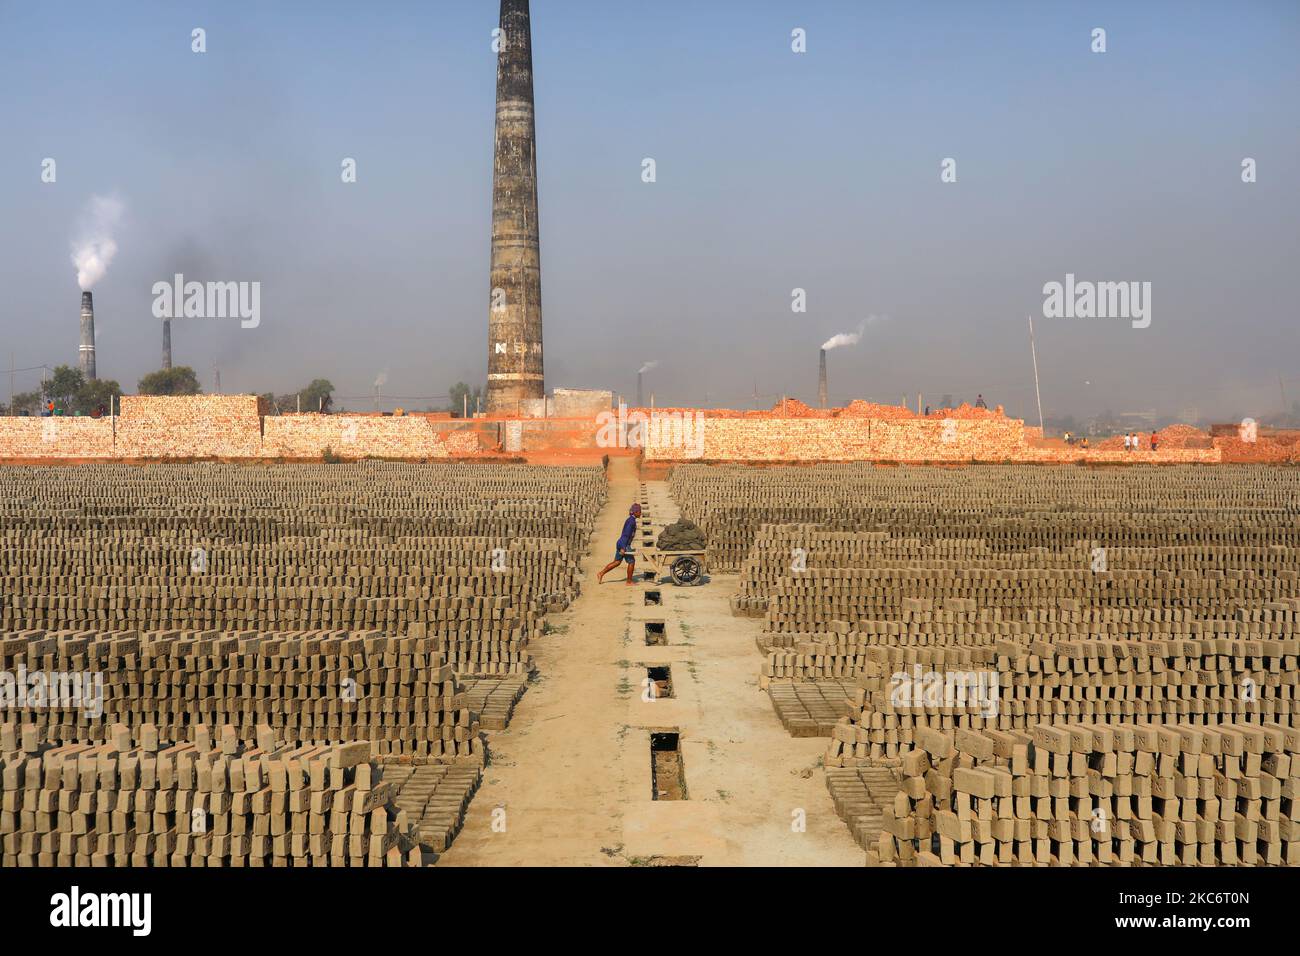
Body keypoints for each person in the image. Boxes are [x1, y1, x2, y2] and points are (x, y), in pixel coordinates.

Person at [598, 503, 642, 585]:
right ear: (635, 512)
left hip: (620, 542)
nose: (640, 513)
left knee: (617, 562)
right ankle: (629, 582)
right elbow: (626, 534)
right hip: (623, 544)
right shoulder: (631, 521)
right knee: (631, 562)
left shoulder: (630, 520)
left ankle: (601, 573)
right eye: (639, 511)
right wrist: (623, 547)